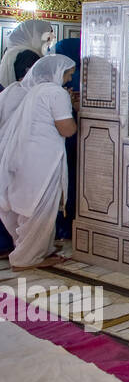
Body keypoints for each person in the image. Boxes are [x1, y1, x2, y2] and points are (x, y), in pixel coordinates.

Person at [0, 53, 78, 269]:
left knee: (27, 205)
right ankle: (26, 258)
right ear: (58, 73)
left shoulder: (34, 91)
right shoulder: (56, 93)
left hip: (26, 156)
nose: (69, 79)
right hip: (43, 159)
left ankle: (34, 250)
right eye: (68, 74)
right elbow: (67, 129)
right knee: (40, 207)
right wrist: (75, 111)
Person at [53, 38, 80, 241]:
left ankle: (61, 228)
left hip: (60, 141)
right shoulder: (80, 75)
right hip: (71, 136)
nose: (70, 77)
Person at [0, 19, 54, 90]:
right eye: (47, 38)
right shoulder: (29, 55)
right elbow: (30, 85)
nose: (49, 41)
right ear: (36, 35)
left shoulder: (16, 51)